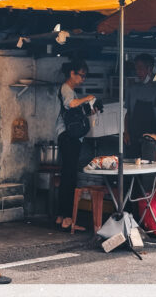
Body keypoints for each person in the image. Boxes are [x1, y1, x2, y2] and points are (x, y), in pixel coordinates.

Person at [55, 59, 95, 231]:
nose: (83, 80)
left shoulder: (70, 91)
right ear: (72, 73)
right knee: (70, 177)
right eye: (82, 76)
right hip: (69, 138)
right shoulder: (66, 89)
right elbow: (70, 104)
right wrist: (88, 98)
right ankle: (68, 219)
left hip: (68, 138)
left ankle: (61, 216)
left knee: (67, 176)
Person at [124, 54, 156, 159]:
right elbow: (128, 114)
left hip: (151, 140)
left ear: (150, 68)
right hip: (133, 138)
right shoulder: (132, 89)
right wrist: (126, 132)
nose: (138, 72)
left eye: (141, 68)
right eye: (136, 69)